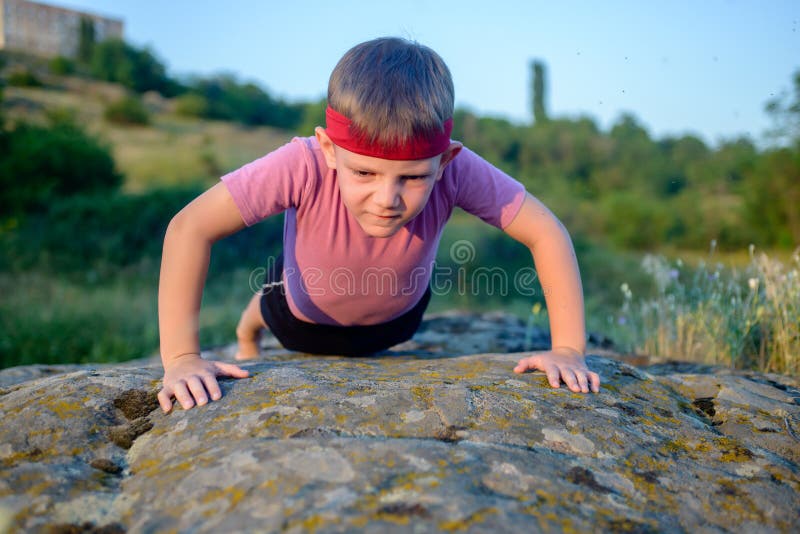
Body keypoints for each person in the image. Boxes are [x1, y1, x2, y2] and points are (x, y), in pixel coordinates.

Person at [156, 37, 601, 414]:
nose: (387, 199)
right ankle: (245, 328)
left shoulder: (457, 169)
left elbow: (547, 232)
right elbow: (188, 227)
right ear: (329, 150)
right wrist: (181, 357)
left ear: (444, 160)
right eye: (364, 174)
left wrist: (567, 349)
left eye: (412, 177)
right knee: (270, 298)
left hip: (396, 325)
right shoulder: (302, 163)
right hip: (297, 320)